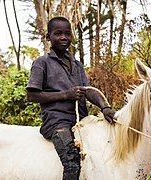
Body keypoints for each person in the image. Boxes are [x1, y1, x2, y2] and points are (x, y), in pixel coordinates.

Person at [26, 16, 115, 180]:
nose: (63, 37)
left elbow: (88, 90)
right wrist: (66, 95)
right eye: (58, 33)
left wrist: (105, 107)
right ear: (48, 37)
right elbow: (31, 95)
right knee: (72, 161)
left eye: (67, 33)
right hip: (57, 122)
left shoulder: (77, 64)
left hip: (81, 121)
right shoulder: (42, 62)